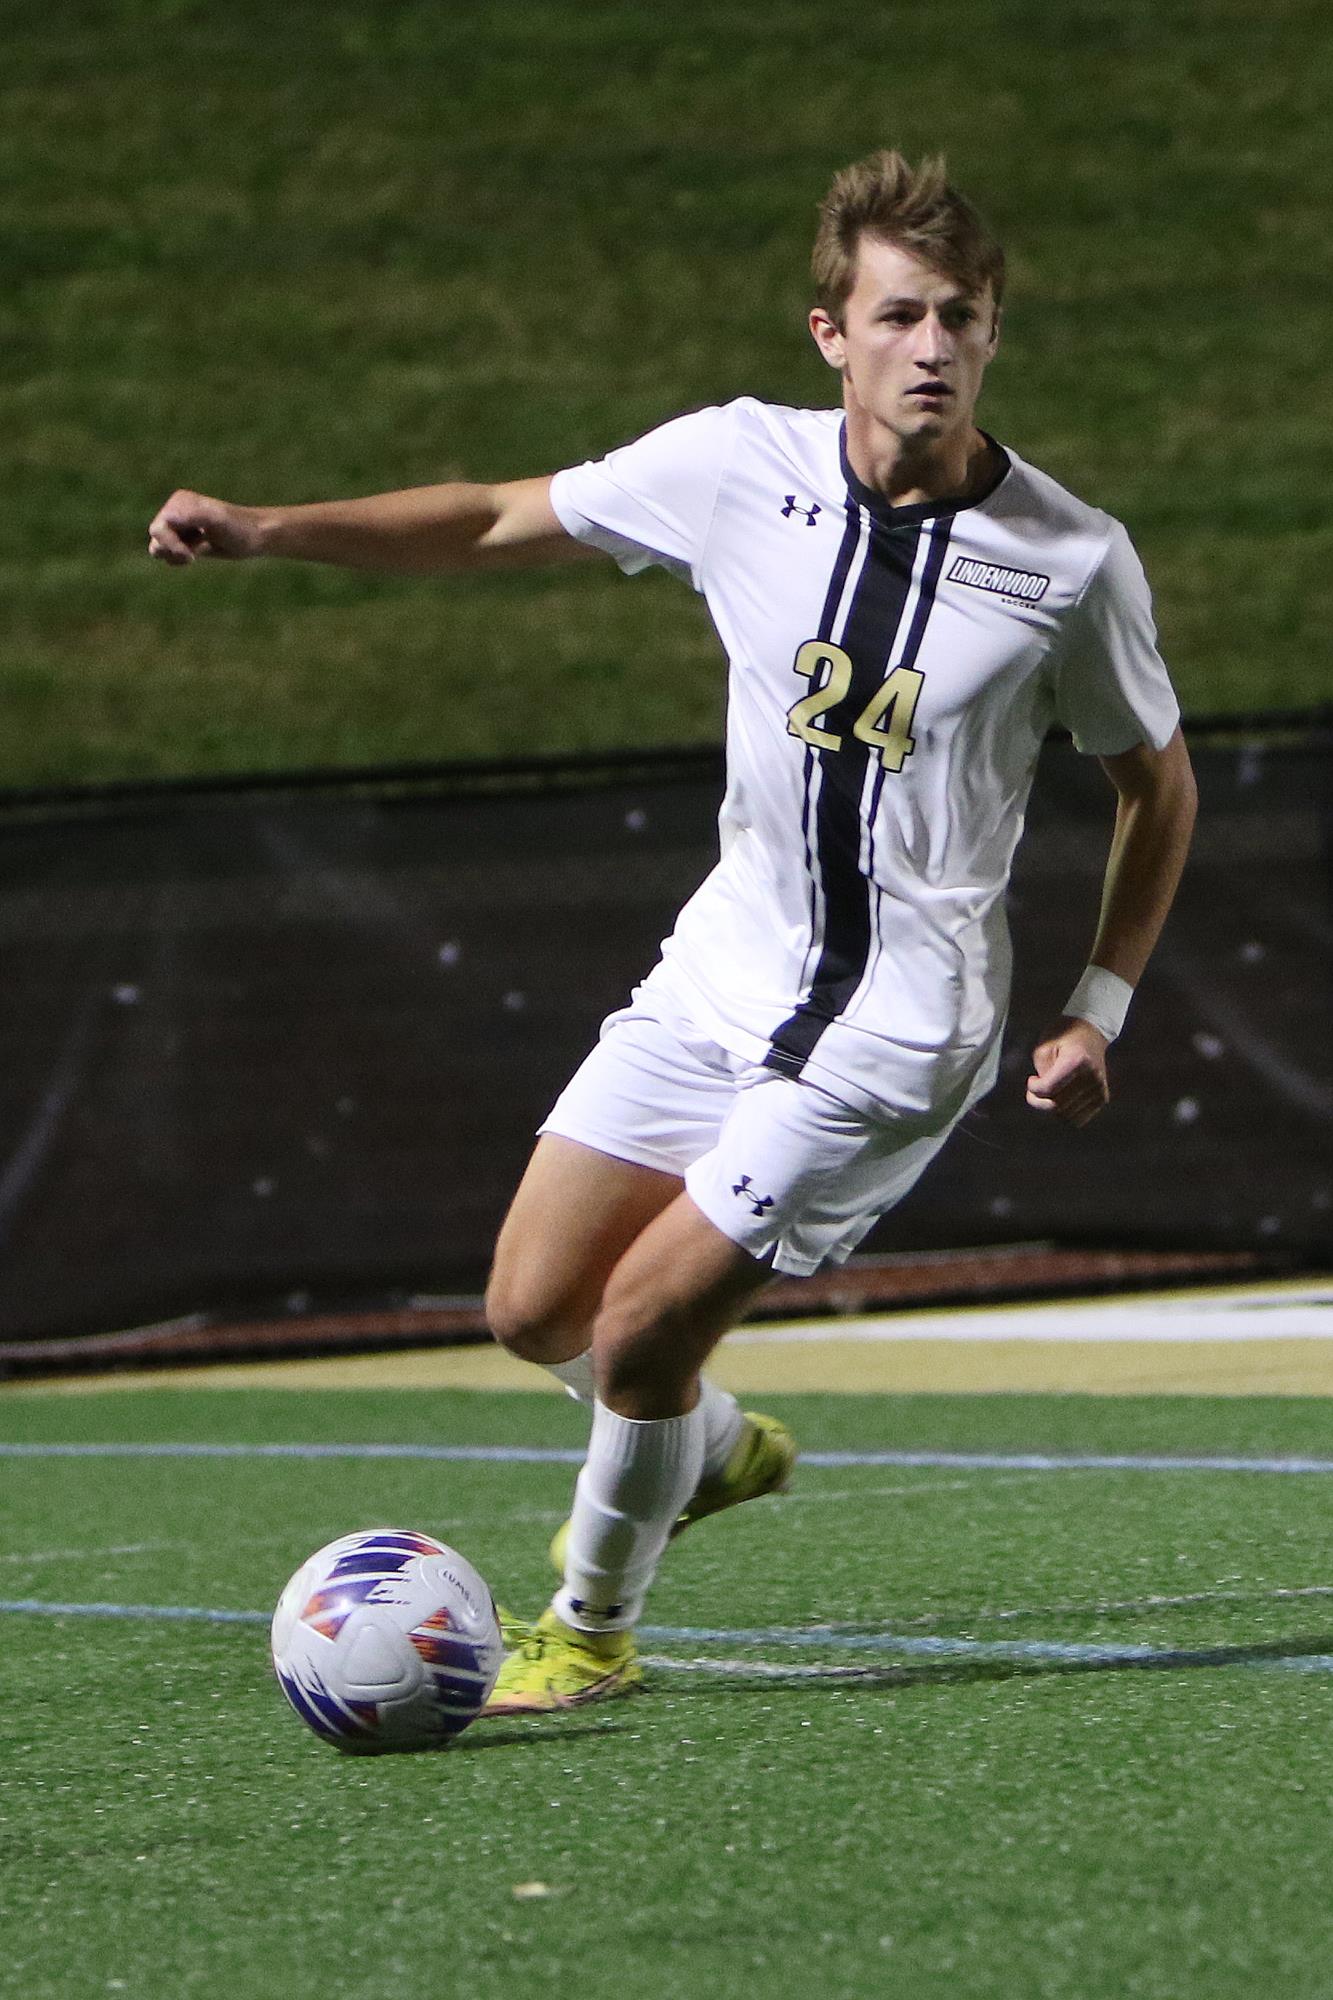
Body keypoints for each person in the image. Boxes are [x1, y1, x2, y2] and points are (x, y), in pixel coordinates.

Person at [149, 149, 1198, 1713]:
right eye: (896, 314)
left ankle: (588, 1630)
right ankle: (701, 1446)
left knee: (638, 1327)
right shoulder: (733, 467)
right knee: (530, 1310)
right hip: (721, 971)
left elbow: (1155, 785)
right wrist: (267, 528)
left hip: (895, 1031)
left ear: (992, 334)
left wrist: (1096, 1007)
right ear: (828, 333)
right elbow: (496, 515)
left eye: (958, 317)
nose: (929, 346)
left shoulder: (1067, 561)